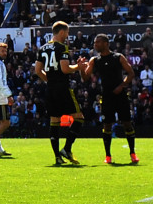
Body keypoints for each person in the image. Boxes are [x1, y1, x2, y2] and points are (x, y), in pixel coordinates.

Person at [35, 21, 89, 166]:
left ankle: (57, 157)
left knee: (54, 121)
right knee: (79, 118)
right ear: (61, 32)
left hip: (50, 89)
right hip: (63, 88)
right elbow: (65, 69)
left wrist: (49, 80)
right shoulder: (61, 47)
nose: (68, 35)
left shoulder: (43, 48)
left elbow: (37, 70)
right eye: (67, 32)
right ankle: (67, 149)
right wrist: (78, 67)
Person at [84, 33, 138, 165]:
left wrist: (122, 86)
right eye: (95, 43)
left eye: (98, 42)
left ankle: (132, 153)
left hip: (120, 95)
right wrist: (81, 69)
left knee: (127, 123)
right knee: (107, 125)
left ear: (106, 43)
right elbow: (85, 78)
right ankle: (108, 155)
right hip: (106, 96)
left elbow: (131, 73)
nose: (95, 45)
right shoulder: (94, 60)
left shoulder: (118, 57)